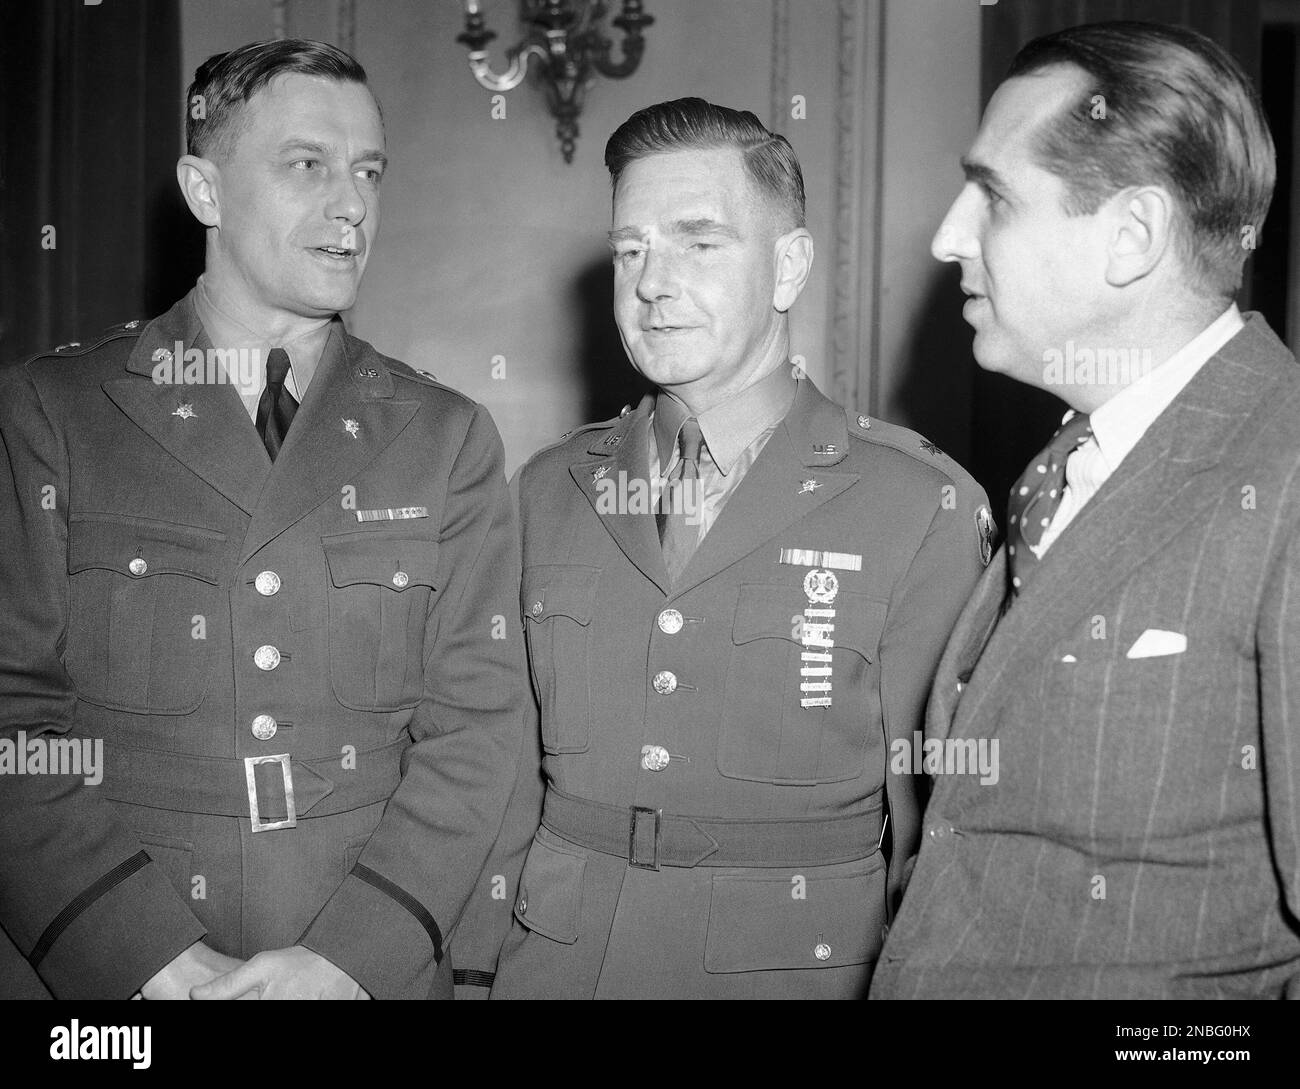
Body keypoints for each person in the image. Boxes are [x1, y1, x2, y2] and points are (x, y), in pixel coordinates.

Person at [0, 39, 528, 1000]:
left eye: (368, 171)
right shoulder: (55, 412)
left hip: (363, 960)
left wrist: (351, 958)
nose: (351, 204)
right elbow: (13, 714)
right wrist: (138, 953)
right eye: (306, 165)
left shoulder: (445, 435)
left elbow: (477, 729)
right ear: (204, 190)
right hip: (115, 973)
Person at [452, 98, 991, 999]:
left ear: (790, 266)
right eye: (631, 250)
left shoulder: (918, 506)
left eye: (700, 242)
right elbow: (506, 777)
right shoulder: (548, 488)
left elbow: (939, 827)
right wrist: (471, 972)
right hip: (554, 967)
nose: (654, 282)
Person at [870, 20, 1300, 999]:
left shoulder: (1283, 474)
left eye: (991, 196)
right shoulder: (1065, 465)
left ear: (1130, 237)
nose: (945, 238)